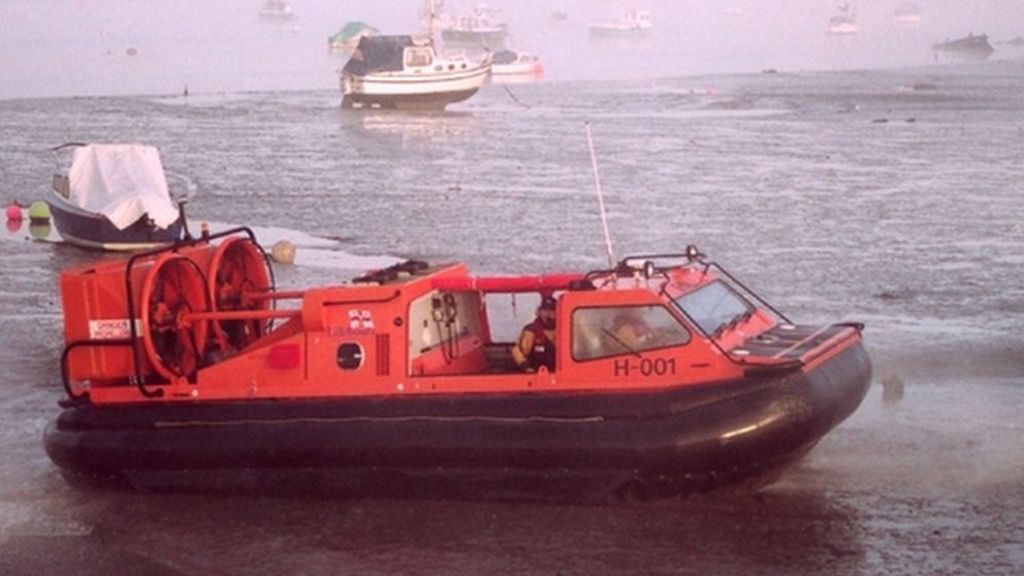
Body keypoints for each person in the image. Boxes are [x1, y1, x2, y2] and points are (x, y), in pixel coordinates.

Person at [512, 296, 557, 372]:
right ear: (539, 312)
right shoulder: (530, 330)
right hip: (535, 374)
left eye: (552, 310)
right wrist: (526, 367)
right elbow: (517, 351)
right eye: (545, 310)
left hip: (559, 375)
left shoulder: (565, 328)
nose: (548, 313)